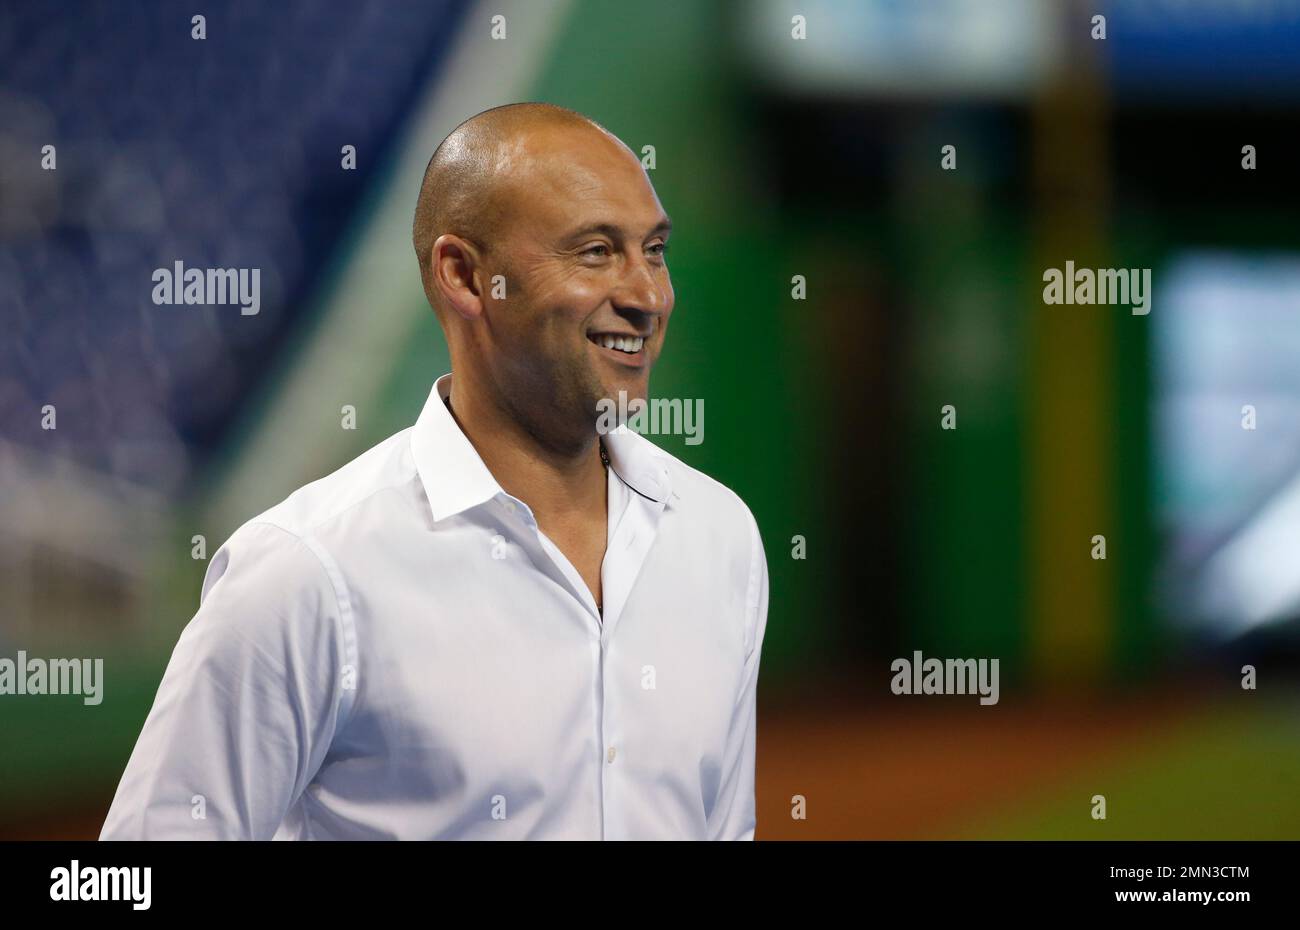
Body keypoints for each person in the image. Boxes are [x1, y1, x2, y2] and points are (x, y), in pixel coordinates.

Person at [100, 102, 769, 840]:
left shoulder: (719, 536)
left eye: (655, 249)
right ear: (465, 275)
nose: (648, 296)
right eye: (596, 251)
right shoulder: (305, 572)